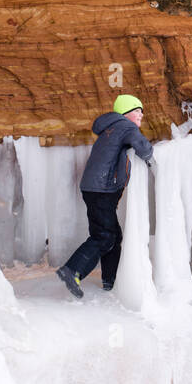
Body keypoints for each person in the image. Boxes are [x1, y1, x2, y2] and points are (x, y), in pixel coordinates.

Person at [56, 94, 155, 298]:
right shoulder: (126, 127)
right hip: (101, 189)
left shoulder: (110, 128)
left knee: (112, 235)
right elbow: (144, 148)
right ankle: (72, 270)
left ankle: (111, 280)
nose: (141, 116)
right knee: (105, 236)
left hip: (94, 188)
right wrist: (151, 159)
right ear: (126, 113)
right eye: (137, 111)